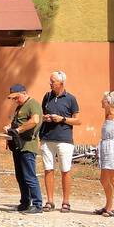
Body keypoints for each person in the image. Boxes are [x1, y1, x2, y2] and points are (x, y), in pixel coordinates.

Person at [39, 69, 80, 212]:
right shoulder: (47, 96)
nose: (50, 83)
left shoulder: (71, 99)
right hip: (47, 138)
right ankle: (49, 201)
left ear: (61, 83)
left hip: (64, 139)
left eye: (53, 81)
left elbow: (78, 120)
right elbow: (42, 114)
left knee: (65, 170)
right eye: (50, 81)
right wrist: (45, 118)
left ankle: (66, 202)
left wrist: (62, 119)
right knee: (48, 170)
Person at [1, 83, 43, 214]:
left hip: (27, 145)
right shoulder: (20, 107)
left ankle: (37, 204)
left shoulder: (32, 104)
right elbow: (18, 122)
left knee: (29, 176)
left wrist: (18, 130)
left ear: (24, 93)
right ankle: (25, 202)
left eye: (16, 97)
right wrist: (10, 127)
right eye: (13, 98)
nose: (15, 100)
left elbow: (35, 120)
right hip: (18, 146)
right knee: (20, 176)